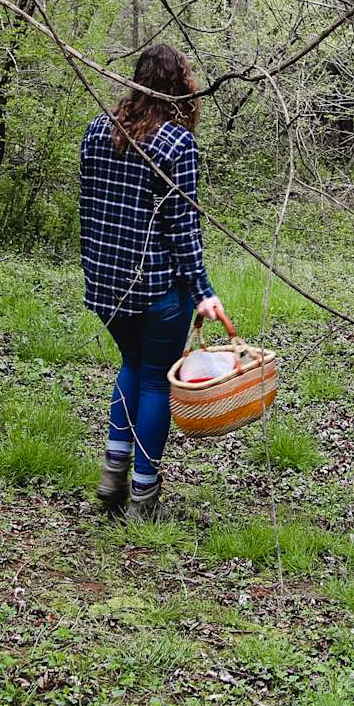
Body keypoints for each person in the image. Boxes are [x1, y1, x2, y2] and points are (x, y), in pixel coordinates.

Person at [78, 44, 227, 519]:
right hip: (154, 290)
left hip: (105, 285)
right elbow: (183, 228)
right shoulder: (177, 144)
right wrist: (202, 292)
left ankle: (112, 475)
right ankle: (144, 498)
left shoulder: (97, 129)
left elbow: (91, 210)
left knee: (132, 366)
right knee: (155, 382)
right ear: (180, 86)